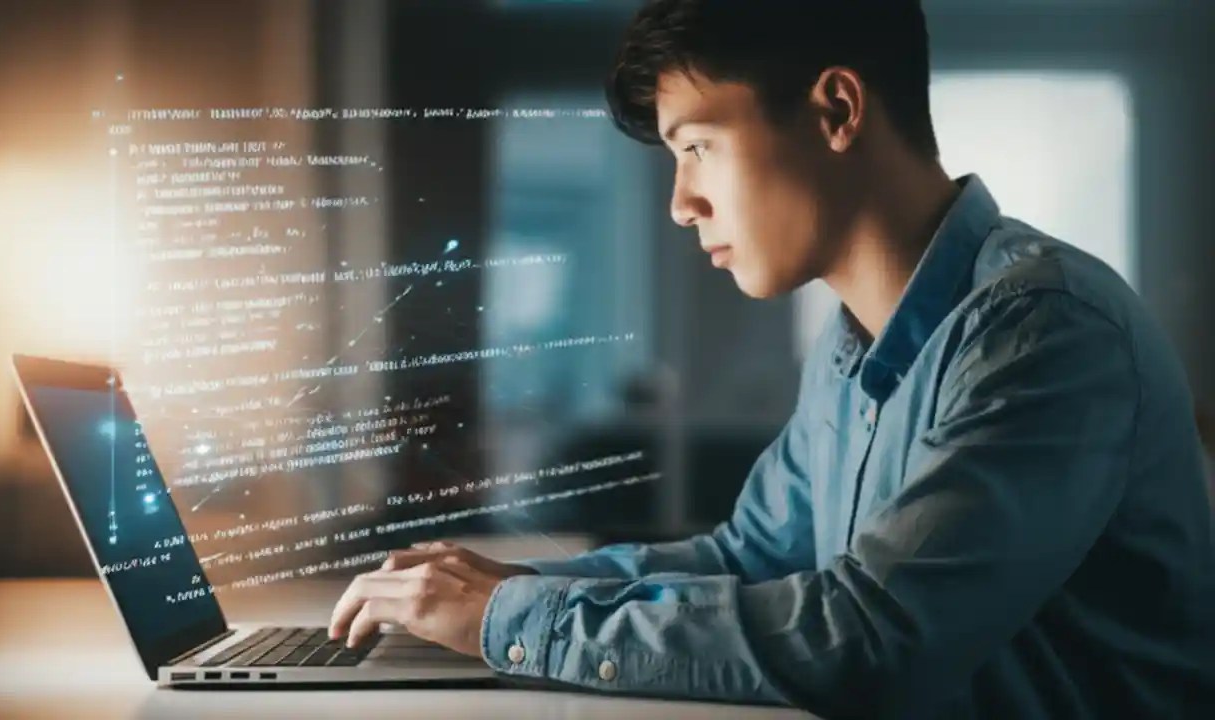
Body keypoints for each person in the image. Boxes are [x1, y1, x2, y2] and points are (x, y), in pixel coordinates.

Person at [327, 1, 1215, 716]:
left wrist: (510, 621)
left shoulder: (1040, 331)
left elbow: (871, 642)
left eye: (698, 147)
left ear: (836, 110)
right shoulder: (852, 345)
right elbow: (752, 559)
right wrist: (499, 589)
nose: (681, 204)